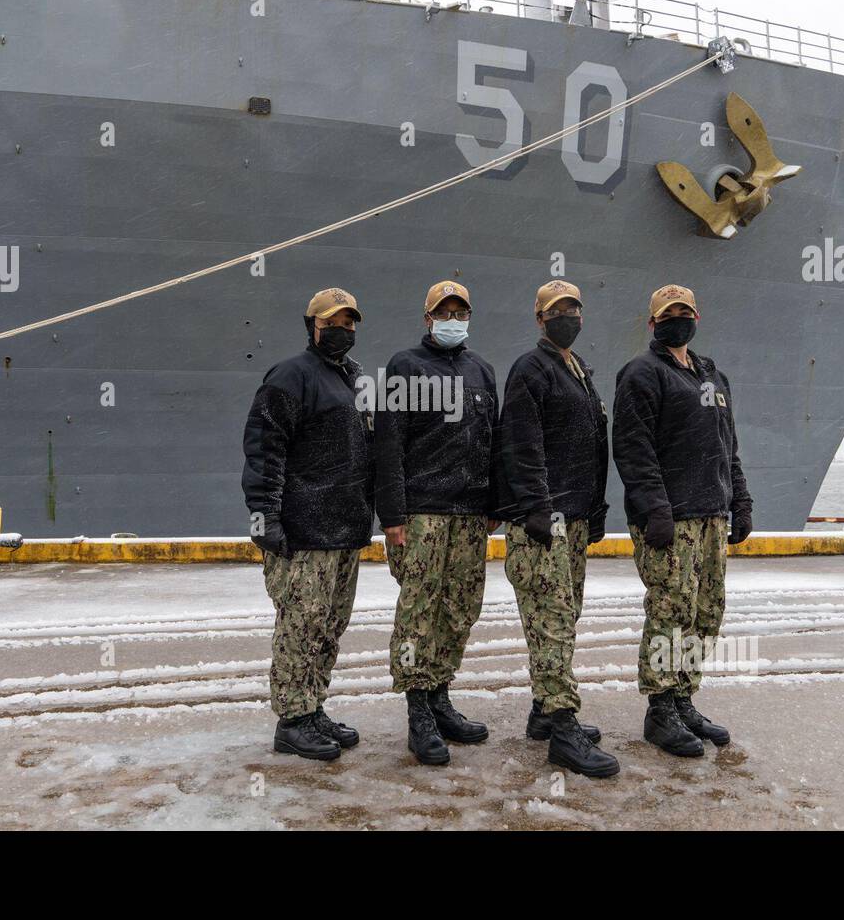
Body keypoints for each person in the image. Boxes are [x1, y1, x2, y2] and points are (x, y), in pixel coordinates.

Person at [613, 284, 753, 758]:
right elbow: (633, 449)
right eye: (668, 314)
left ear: (697, 317)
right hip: (670, 519)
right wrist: (655, 508)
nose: (678, 319)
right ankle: (659, 709)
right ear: (652, 324)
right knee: (671, 613)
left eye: (685, 311)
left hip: (711, 513)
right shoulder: (642, 374)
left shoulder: (713, 376)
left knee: (705, 613)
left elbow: (727, 445)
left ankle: (683, 697)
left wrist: (741, 500)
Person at [241, 287, 374, 761]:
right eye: (332, 322)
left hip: (344, 531)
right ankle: (292, 719)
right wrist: (265, 519)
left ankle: (313, 705)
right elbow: (264, 450)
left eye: (349, 322)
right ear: (311, 326)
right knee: (301, 625)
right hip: (303, 534)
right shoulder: (290, 376)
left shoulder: (354, 379)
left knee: (329, 627)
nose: (343, 330)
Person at [495, 280, 619, 778]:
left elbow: (590, 446)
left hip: (573, 518)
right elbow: (521, 446)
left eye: (573, 308)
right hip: (543, 522)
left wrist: (594, 509)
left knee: (564, 621)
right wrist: (537, 509)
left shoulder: (578, 370)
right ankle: (564, 729)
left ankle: (542, 714)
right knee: (550, 623)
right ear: (540, 319)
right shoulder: (530, 369)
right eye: (557, 310)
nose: (567, 315)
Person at [376, 280, 500, 765]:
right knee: (418, 613)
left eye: (460, 311)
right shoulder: (407, 367)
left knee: (459, 609)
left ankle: (441, 697)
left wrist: (495, 504)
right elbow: (388, 445)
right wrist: (392, 516)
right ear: (427, 318)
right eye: (443, 311)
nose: (453, 319)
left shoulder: (481, 370)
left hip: (470, 515)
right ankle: (418, 712)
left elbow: (493, 439)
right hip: (422, 515)